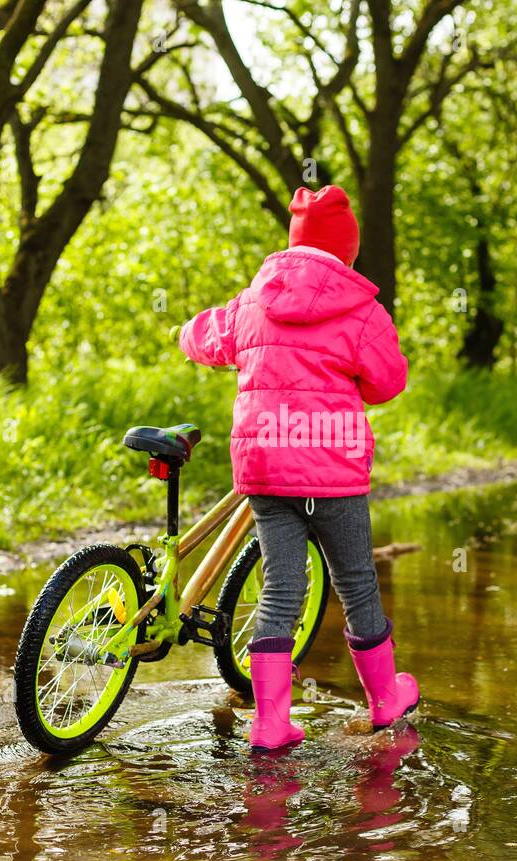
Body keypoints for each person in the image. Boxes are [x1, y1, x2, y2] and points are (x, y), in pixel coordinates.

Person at [178, 184, 419, 750]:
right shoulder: (362, 308)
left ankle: (269, 723)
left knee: (280, 589)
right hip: (331, 468)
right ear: (346, 251)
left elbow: (207, 336)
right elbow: (388, 381)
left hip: (264, 466)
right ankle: (385, 702)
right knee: (356, 582)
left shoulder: (256, 298)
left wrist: (183, 334)